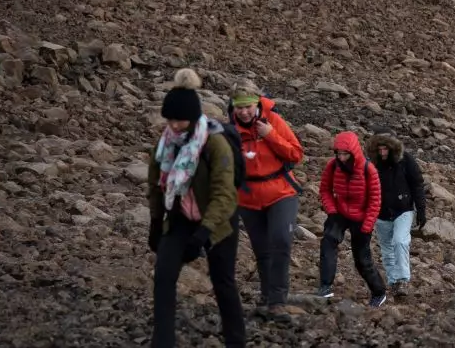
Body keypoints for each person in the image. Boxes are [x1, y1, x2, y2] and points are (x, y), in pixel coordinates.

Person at [148, 69, 244, 348]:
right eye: (170, 120)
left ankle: (236, 342)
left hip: (218, 223)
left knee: (222, 281)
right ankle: (162, 342)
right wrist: (156, 223)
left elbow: (224, 195)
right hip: (180, 219)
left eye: (180, 120)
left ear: (192, 118)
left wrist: (203, 234)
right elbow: (156, 183)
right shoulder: (166, 143)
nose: (174, 125)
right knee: (164, 276)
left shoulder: (215, 144)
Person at [227, 80, 303, 322]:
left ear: (257, 104)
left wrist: (270, 136)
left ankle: (278, 301)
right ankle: (268, 298)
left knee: (281, 241)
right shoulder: (229, 129)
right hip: (248, 197)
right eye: (239, 107)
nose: (244, 112)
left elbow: (296, 153)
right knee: (262, 250)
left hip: (281, 192)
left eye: (248, 106)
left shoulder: (273, 122)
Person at [318, 131, 387, 307]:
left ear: (353, 152)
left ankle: (379, 293)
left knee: (362, 260)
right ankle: (325, 286)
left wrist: (367, 225)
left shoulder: (367, 169)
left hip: (361, 218)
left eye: (345, 154)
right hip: (340, 213)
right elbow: (325, 189)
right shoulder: (333, 166)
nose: (341, 157)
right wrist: (332, 211)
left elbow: (375, 200)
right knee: (328, 242)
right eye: (338, 153)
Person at [367, 126, 427, 297]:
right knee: (386, 249)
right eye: (379, 148)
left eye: (385, 148)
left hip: (403, 209)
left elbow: (417, 184)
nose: (382, 152)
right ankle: (394, 282)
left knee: (400, 241)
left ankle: (403, 279)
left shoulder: (406, 160)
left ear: (392, 147)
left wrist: (421, 209)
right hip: (381, 212)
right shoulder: (371, 164)